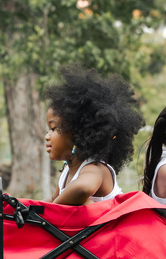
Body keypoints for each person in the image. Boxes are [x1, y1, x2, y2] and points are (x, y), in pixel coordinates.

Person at [44, 66, 145, 205]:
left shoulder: (95, 169)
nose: (47, 136)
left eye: (53, 128)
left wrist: (54, 209)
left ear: (78, 133)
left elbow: (84, 188)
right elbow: (50, 201)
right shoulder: (67, 170)